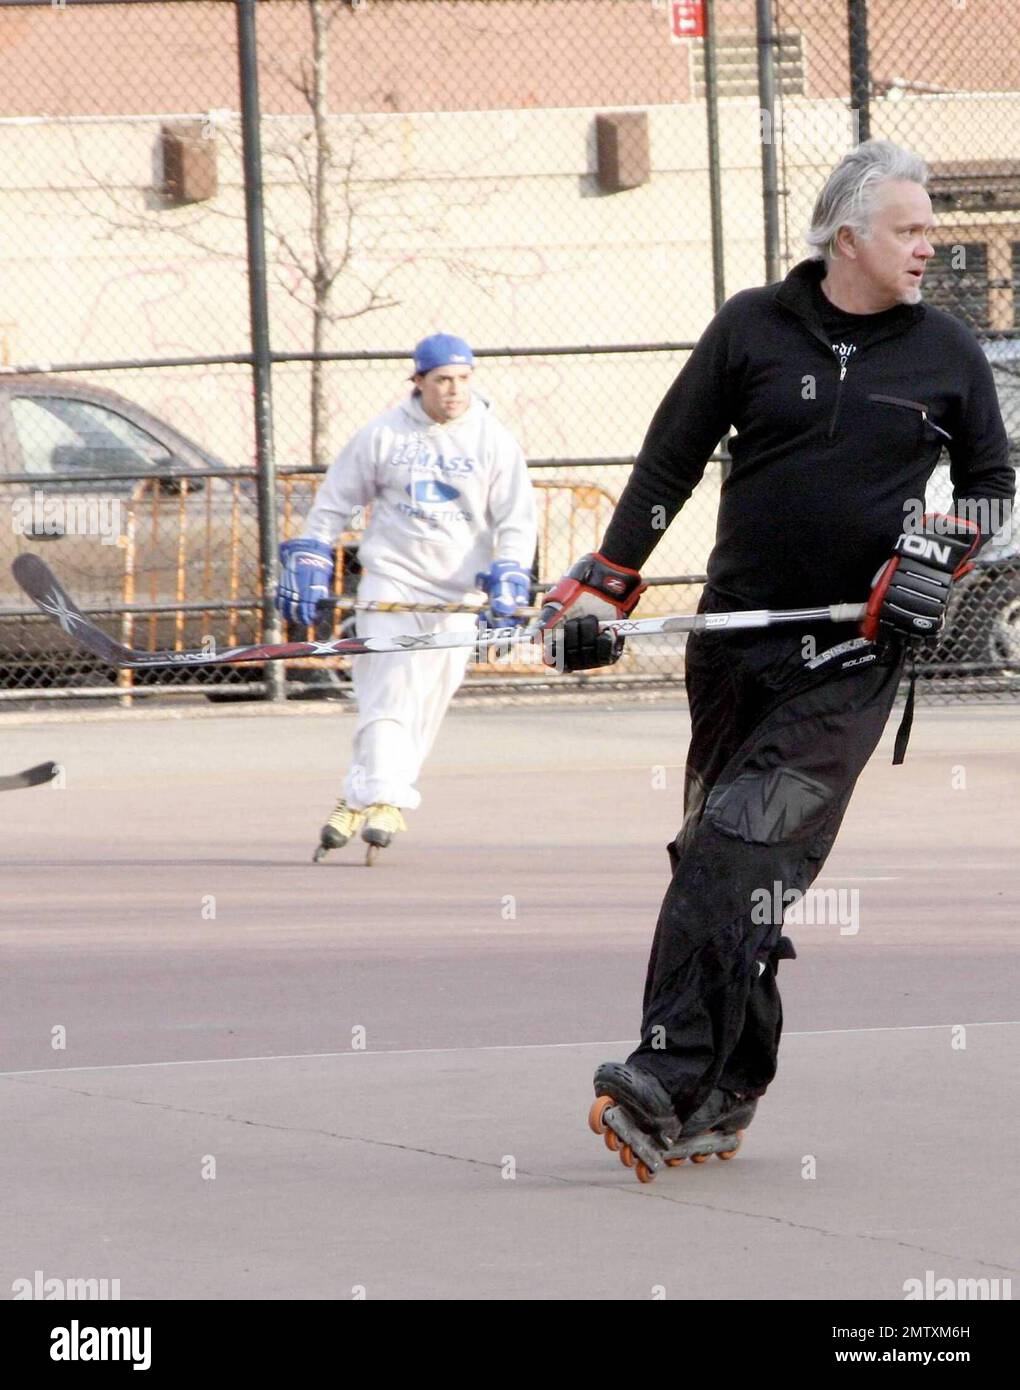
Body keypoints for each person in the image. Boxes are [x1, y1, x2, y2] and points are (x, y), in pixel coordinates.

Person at [537, 141, 1015, 1180]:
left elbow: (990, 483)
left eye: (931, 231)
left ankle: (670, 1074)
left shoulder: (947, 351)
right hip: (734, 646)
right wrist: (611, 576)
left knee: (743, 843)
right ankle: (734, 1082)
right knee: (715, 854)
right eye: (911, 230)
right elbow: (669, 457)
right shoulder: (752, 326)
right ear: (848, 237)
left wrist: (938, 553)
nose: (931, 247)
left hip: (850, 660)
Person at [277, 333, 537, 861]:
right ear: (418, 382)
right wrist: (311, 557)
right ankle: (387, 800)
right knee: (388, 694)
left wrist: (509, 574)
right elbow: (333, 504)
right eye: (442, 380)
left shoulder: (493, 441)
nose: (454, 390)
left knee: (423, 705)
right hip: (390, 588)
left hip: (457, 597)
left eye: (463, 379)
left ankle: (359, 796)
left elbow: (516, 521)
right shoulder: (384, 436)